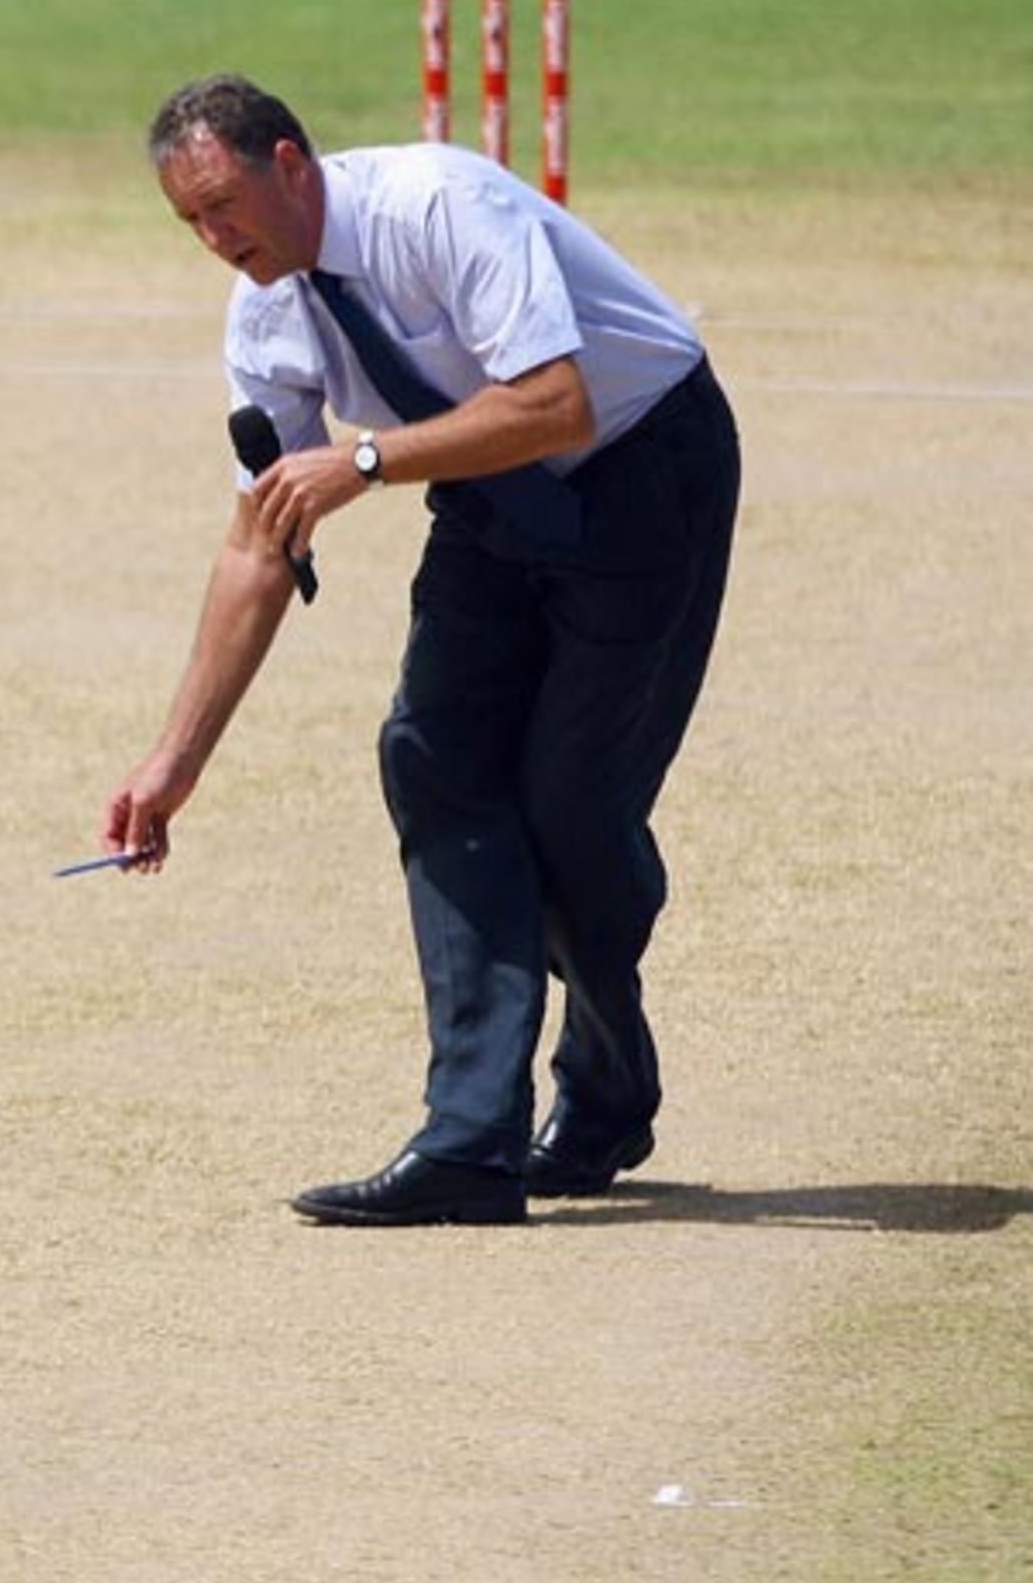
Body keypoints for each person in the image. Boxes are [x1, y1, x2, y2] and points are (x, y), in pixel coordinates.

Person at [102, 73, 740, 1227]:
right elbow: (260, 545)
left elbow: (556, 405)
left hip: (648, 465)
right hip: (489, 493)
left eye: (222, 205)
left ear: (289, 161)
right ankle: (471, 1142)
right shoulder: (267, 321)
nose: (213, 239)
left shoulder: (437, 206)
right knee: (432, 757)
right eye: (188, 222)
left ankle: (605, 1084)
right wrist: (173, 763)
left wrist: (360, 463)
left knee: (569, 816)